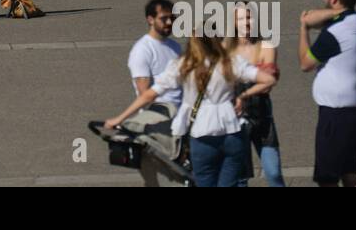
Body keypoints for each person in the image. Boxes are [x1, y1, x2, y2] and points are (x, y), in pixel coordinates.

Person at [104, 34, 277, 188]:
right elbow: (268, 80)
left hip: (202, 136)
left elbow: (149, 95)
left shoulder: (185, 65)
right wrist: (243, 95)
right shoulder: (230, 62)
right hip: (232, 133)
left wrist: (119, 119)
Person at [300, 0, 356, 188]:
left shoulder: (334, 33)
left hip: (336, 113)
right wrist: (331, 12)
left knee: (327, 178)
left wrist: (303, 29)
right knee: (350, 171)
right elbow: (324, 17)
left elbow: (305, 63)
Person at [234, 2, 285, 187]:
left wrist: (243, 92)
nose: (246, 22)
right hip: (234, 121)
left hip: (262, 117)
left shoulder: (266, 45)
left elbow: (267, 85)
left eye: (249, 17)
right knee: (240, 179)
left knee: (273, 173)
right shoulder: (226, 48)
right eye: (240, 18)